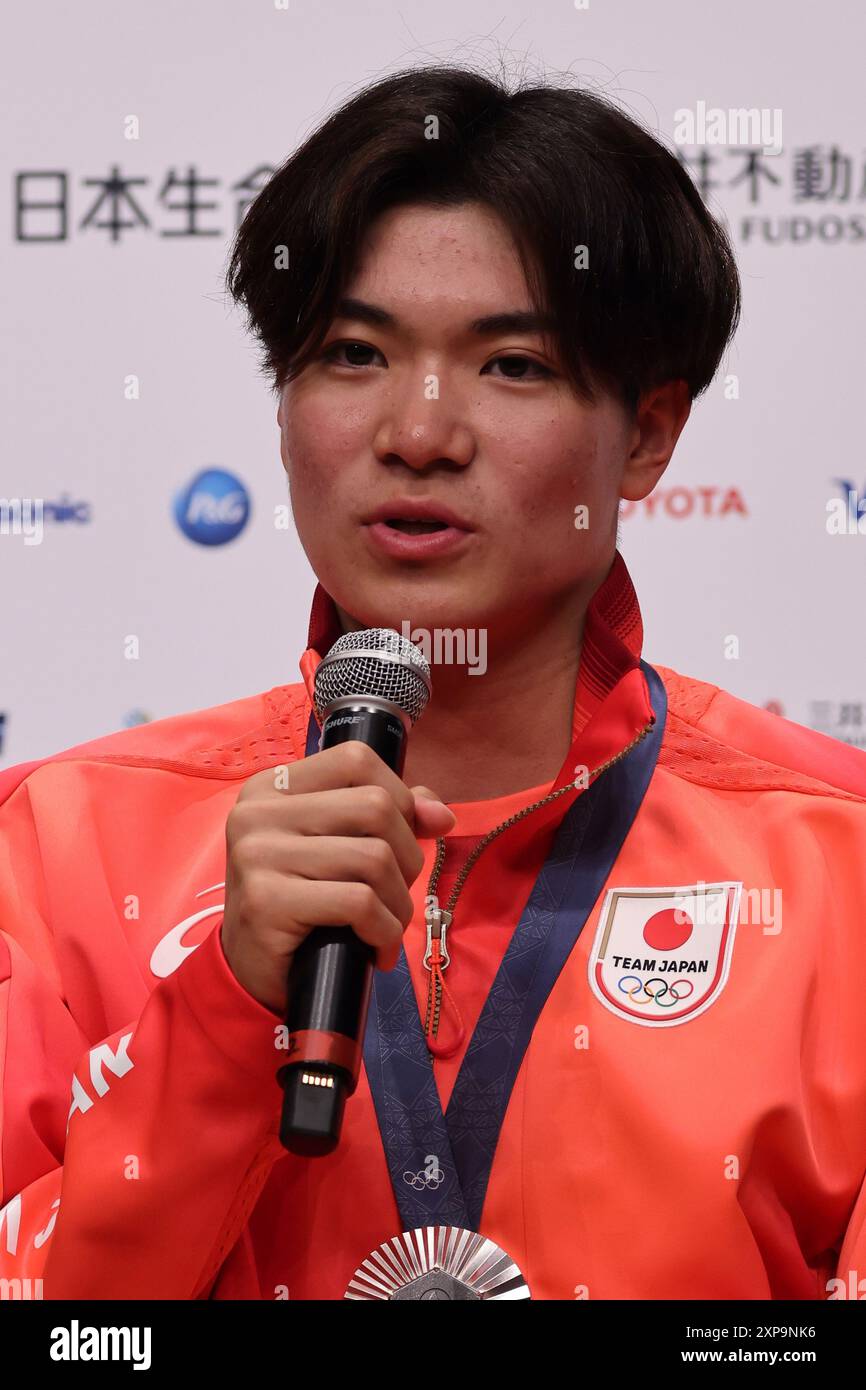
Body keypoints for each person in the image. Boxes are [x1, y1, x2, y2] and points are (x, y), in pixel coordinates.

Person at [2, 64, 866, 1302]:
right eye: (352, 352)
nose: (417, 431)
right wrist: (224, 1010)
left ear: (648, 434)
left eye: (508, 366)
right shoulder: (55, 849)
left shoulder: (830, 863)